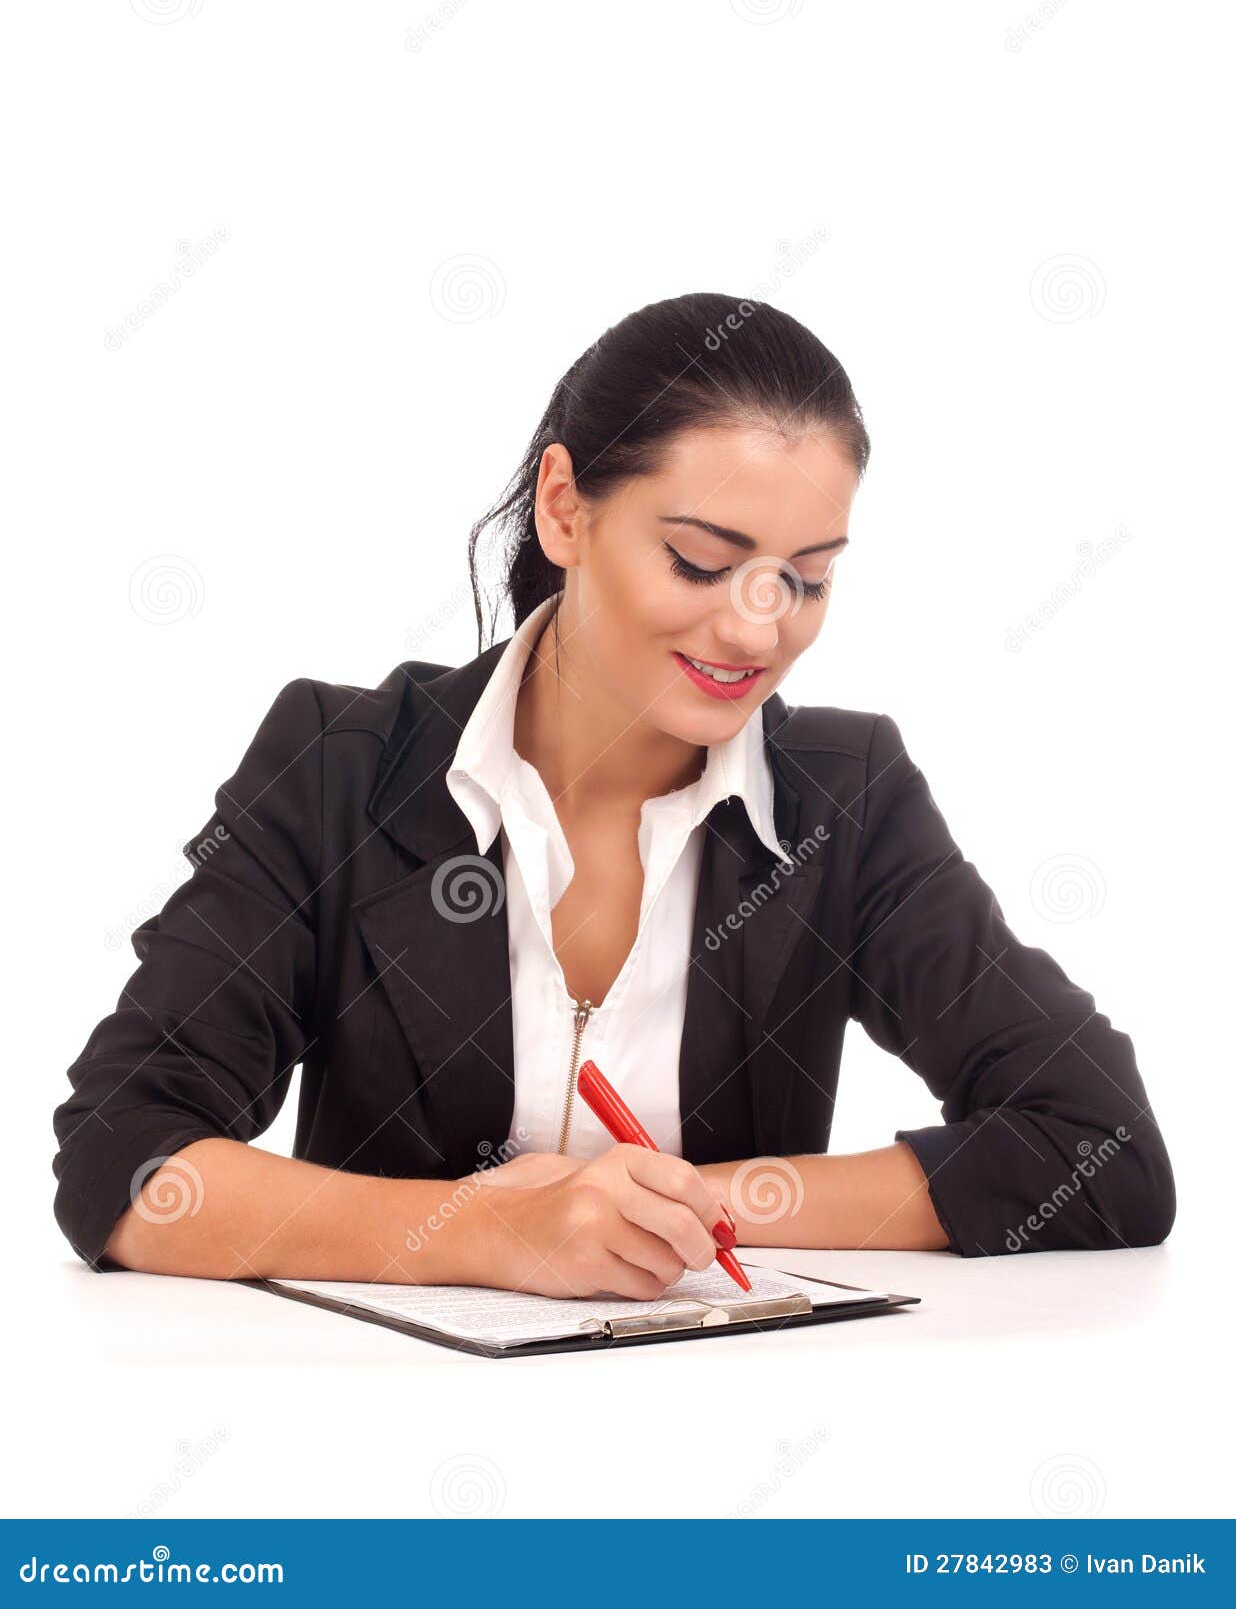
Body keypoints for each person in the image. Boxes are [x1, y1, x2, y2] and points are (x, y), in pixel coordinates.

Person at [51, 292, 1175, 1300]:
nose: (757, 628)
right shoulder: (341, 766)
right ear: (564, 509)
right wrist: (482, 1232)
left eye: (806, 577)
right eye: (700, 560)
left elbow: (1102, 1144)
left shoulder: (848, 799)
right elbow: (122, 1156)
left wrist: (680, 1207)